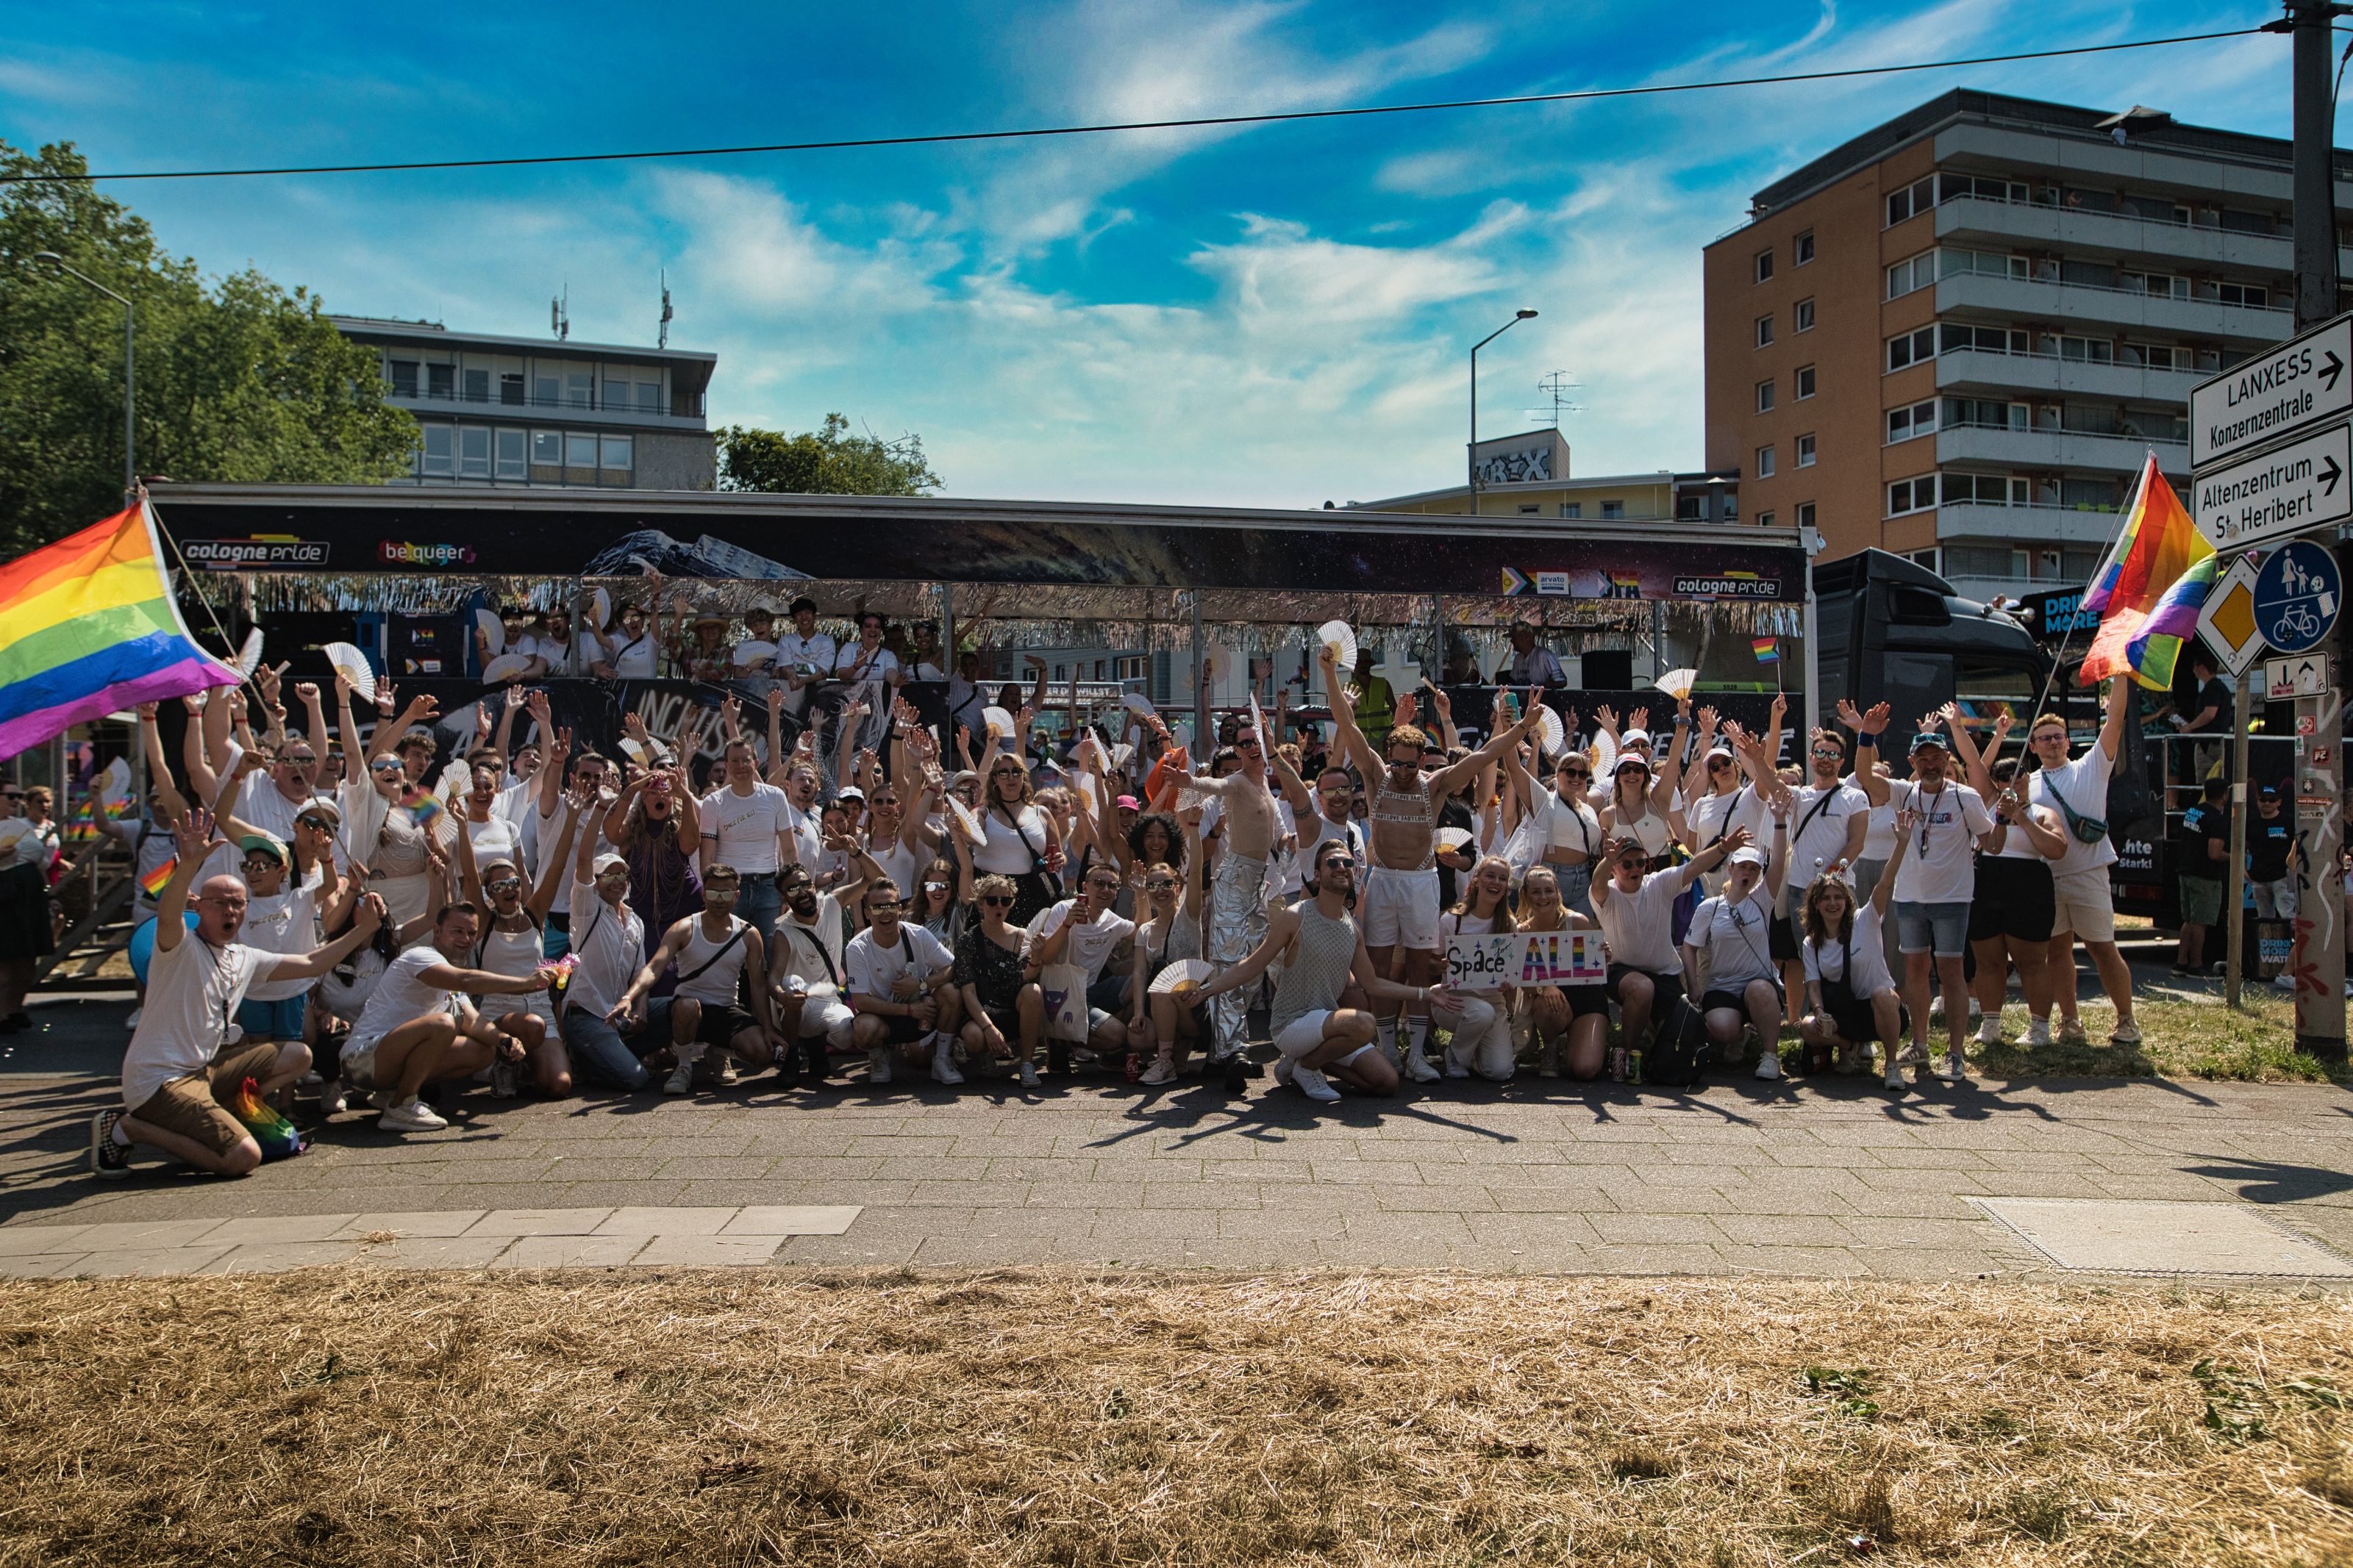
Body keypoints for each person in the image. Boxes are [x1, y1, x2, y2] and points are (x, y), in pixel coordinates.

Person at [93, 809, 387, 1178]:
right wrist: (188, 865)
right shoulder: (178, 947)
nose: (231, 910)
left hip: (203, 1073)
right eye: (220, 903)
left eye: (238, 903)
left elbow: (312, 962)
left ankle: (216, 1115)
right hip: (158, 1083)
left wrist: (366, 930)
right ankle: (127, 1128)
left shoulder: (243, 955)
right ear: (198, 907)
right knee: (243, 1159)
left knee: (298, 1055)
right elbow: (168, 914)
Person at [1319, 642, 1543, 1082]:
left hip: (1422, 881)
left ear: (1420, 760)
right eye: (1397, 763)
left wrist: (1521, 726)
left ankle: (1418, 1055)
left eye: (1408, 765)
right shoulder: (1375, 774)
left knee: (1421, 966)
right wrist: (1329, 672)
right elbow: (1345, 722)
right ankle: (1387, 1049)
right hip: (1382, 879)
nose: (1401, 771)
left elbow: (1483, 756)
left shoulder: (1435, 783)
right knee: (1381, 967)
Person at [1194, 842, 1461, 1103]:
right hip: (1291, 1025)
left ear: (1354, 873)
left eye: (1348, 863)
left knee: (1387, 1082)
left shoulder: (1352, 929)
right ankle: (1308, 1067)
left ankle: (1303, 1065)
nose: (1341, 867)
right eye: (1332, 862)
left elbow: (1374, 984)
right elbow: (1253, 965)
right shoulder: (1294, 916)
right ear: (1318, 875)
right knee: (1365, 1023)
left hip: (1328, 1028)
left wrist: (1426, 993)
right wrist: (1206, 991)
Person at [339, 899, 561, 1132]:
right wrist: (526, 983)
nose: (465, 939)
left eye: (471, 933)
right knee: (444, 1023)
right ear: (437, 931)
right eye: (457, 931)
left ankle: (391, 1094)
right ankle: (400, 1107)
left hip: (385, 1064)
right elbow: (463, 979)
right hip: (361, 1061)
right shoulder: (420, 956)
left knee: (483, 1052)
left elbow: (474, 1022)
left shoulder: (451, 977)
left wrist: (505, 1040)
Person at [1859, 721, 1996, 1084]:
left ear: (1948, 758)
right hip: (1909, 897)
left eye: (1937, 758)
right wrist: (1866, 736)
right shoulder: (1905, 793)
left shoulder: (1965, 797)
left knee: (1951, 974)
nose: (1931, 765)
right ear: (1912, 761)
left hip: (1952, 898)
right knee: (1915, 972)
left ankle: (1955, 1053)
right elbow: (1863, 777)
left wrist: (2008, 819)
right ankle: (1920, 1044)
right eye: (1924, 759)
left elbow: (1993, 845)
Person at [2025, 683, 2140, 1045]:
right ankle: (2069, 1022)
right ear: (2033, 746)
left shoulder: (2091, 767)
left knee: (2103, 948)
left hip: (2090, 874)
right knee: (2056, 952)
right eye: (2045, 738)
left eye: (2058, 737)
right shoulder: (2027, 784)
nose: (2053, 743)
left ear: (2069, 742)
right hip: (2047, 878)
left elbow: (2116, 720)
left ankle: (2127, 1021)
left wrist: (2120, 676)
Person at [1176, 707, 1285, 1083]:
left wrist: (1293, 840)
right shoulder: (1237, 782)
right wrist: (1187, 779)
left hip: (1258, 885)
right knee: (1229, 965)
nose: (1251, 748)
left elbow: (1279, 832)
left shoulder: (1266, 784)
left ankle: (1225, 1048)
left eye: (1255, 741)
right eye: (1243, 744)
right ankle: (1232, 1052)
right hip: (1233, 882)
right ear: (1236, 750)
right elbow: (1214, 787)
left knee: (1251, 973)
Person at [616, 864, 786, 1095]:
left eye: (726, 893)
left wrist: (767, 1028)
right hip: (686, 1007)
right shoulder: (684, 928)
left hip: (726, 1009)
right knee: (687, 1006)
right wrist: (629, 997)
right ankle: (684, 1066)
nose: (719, 899)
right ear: (703, 894)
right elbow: (654, 968)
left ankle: (719, 1053)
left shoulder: (748, 934)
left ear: (736, 896)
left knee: (761, 1053)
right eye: (713, 892)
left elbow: (757, 984)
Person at [1589, 827, 1744, 1054]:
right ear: (1613, 869)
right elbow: (1597, 884)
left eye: (1640, 863)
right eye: (1627, 864)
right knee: (1642, 988)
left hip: (1665, 974)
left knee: (1687, 1036)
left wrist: (1723, 848)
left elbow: (1694, 867)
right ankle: (1628, 1056)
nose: (1636, 869)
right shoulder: (1607, 894)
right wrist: (1607, 860)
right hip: (1620, 971)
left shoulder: (1659, 883)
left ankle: (1652, 1026)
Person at [1682, 790, 1793, 1080]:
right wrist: (1694, 985)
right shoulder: (1710, 907)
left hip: (1757, 982)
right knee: (1723, 1028)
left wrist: (1780, 822)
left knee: (1760, 991)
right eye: (1742, 866)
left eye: (1753, 869)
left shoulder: (1762, 898)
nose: (1748, 873)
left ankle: (1770, 1056)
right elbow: (1690, 947)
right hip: (1722, 985)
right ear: (1730, 868)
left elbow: (1779, 862)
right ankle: (1739, 1036)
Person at [1796, 831, 1910, 1089]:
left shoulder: (1865, 920)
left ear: (1847, 902)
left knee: (1883, 994)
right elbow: (1813, 986)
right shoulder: (1811, 942)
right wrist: (1820, 1013)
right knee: (1806, 1026)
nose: (1832, 903)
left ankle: (1891, 1065)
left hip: (1878, 1011)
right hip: (1841, 1015)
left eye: (1838, 897)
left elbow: (1885, 882)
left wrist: (1902, 843)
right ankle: (1849, 1047)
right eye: (1825, 898)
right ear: (1815, 905)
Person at [1965, 757, 2065, 1046]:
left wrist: (2021, 818)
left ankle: (2040, 1027)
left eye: (2019, 774)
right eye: (2005, 777)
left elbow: (2057, 849)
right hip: (1987, 882)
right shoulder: (1987, 809)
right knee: (1988, 961)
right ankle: (1991, 1023)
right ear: (1997, 783)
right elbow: (1974, 765)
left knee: (2031, 962)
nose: (2013, 781)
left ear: (2028, 777)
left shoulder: (2043, 813)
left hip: (2028, 885)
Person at [1776, 723, 1872, 1008]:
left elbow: (1856, 843)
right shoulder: (1799, 795)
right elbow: (1767, 783)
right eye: (1820, 753)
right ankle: (1816, 1017)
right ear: (1811, 757)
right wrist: (1758, 757)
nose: (1826, 759)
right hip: (1799, 890)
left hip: (1839, 890)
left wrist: (1828, 879)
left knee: (1847, 953)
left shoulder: (1855, 797)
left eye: (1833, 755)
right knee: (1809, 955)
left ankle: (1853, 1015)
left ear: (1841, 761)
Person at [845, 877, 960, 1085]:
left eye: (890, 906)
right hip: (884, 1015)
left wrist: (922, 984)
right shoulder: (857, 947)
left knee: (951, 992)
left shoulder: (919, 934)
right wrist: (908, 1010)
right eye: (878, 907)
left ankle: (942, 1058)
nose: (885, 912)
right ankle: (879, 1055)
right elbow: (861, 1001)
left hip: (922, 1011)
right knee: (862, 1029)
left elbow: (952, 967)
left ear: (900, 909)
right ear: (867, 913)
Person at [1026, 862, 1135, 1075]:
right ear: (1085, 888)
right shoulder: (1062, 909)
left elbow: (1142, 934)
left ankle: (1078, 1042)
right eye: (1099, 884)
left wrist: (1140, 893)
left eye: (1112, 886)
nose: (1105, 890)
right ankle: (1062, 1039)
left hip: (1093, 991)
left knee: (1140, 984)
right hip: (1064, 994)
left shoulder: (1112, 920)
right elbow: (1046, 958)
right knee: (1117, 1035)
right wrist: (1067, 924)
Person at [1513, 863, 1611, 1079]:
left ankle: (1576, 1044)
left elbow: (1596, 968)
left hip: (1586, 1000)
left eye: (1548, 891)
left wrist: (1604, 956)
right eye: (1536, 892)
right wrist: (1546, 985)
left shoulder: (1577, 922)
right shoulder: (1520, 933)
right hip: (1548, 1003)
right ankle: (1550, 1046)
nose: (1543, 897)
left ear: (1557, 893)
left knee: (1586, 1070)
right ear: (1526, 896)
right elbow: (1522, 982)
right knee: (1546, 1004)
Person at [697, 737, 796, 939]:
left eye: (746, 760)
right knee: (727, 954)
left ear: (756, 763)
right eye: (734, 761)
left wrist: (791, 890)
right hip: (729, 889)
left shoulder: (776, 796)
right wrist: (711, 892)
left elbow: (789, 849)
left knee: (770, 953)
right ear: (726, 765)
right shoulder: (713, 802)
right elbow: (706, 855)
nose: (740, 766)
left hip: (770, 887)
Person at [1434, 856, 1522, 1081]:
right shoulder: (1451, 921)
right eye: (1490, 876)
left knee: (1500, 1072)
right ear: (1476, 881)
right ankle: (1455, 1055)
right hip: (1453, 999)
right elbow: (1428, 962)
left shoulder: (1508, 924)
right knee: (1481, 1014)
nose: (1496, 882)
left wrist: (1508, 983)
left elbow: (1513, 971)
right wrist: (1442, 964)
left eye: (1502, 879)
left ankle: (1473, 1052)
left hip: (1493, 1000)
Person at [955, 872, 1044, 1085]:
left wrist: (1037, 958)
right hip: (983, 1011)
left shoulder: (1022, 936)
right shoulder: (968, 940)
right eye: (992, 900)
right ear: (981, 903)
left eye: (1005, 901)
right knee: (975, 1038)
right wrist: (989, 1028)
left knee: (1034, 992)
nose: (999, 906)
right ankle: (985, 1054)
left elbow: (1027, 979)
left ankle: (1027, 1064)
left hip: (1012, 1007)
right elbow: (968, 992)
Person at [2174, 776, 2230, 976]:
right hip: (2205, 876)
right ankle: (2196, 965)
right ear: (2225, 795)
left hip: (2186, 871)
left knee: (2188, 919)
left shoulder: (2193, 811)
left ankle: (2181, 963)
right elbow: (2214, 853)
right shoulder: (2218, 819)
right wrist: (2235, 857)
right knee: (2200, 922)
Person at [2249, 787, 2299, 991]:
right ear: (2258, 801)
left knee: (2291, 923)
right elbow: (2240, 847)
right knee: (2265, 925)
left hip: (2281, 879)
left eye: (2271, 799)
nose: (2267, 803)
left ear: (2279, 802)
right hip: (2259, 880)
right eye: (2263, 799)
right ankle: (2267, 968)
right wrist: (2246, 873)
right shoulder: (2253, 822)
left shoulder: (2288, 821)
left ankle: (2291, 966)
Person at [1504, 623, 1563, 687]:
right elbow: (1513, 682)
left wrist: (1538, 690)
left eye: (1514, 637)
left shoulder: (1544, 655)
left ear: (1526, 637)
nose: (1511, 640)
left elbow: (1561, 681)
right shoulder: (1518, 659)